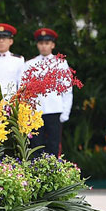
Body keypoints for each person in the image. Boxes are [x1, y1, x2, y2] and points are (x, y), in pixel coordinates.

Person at [24, 28, 72, 156]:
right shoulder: (29, 64)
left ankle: (54, 175)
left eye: (47, 43)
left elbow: (67, 89)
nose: (44, 46)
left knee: (53, 147)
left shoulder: (61, 63)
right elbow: (25, 89)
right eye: (41, 43)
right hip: (35, 112)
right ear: (37, 45)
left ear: (52, 45)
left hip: (54, 110)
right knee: (35, 148)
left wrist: (65, 112)